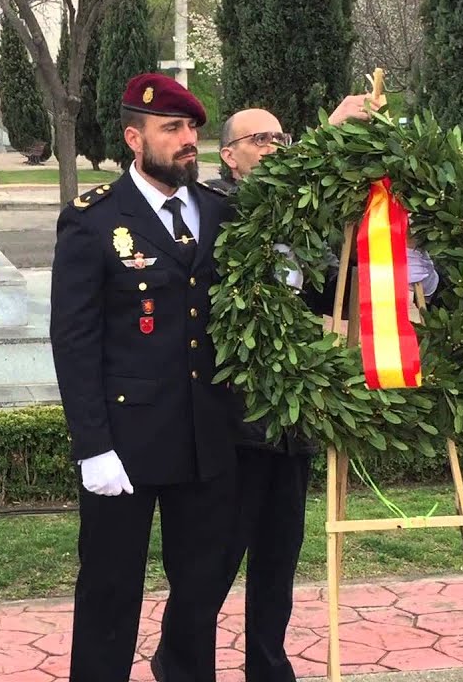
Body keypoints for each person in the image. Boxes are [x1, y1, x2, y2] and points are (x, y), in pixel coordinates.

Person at [201, 103, 437, 682]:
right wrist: (326, 136)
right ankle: (183, 661)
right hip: (232, 421)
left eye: (282, 136)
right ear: (228, 156)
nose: (276, 147)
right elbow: (265, 210)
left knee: (278, 560)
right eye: (261, 139)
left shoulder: (305, 225)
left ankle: (269, 668)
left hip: (291, 421)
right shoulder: (218, 206)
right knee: (216, 558)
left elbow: (342, 289)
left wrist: (414, 268)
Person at [50, 72, 240, 682]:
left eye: (192, 129)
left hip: (206, 437)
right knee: (110, 589)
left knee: (203, 585)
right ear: (135, 138)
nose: (189, 141)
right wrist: (93, 447)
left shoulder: (219, 212)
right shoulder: (94, 219)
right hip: (127, 444)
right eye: (172, 129)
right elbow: (74, 340)